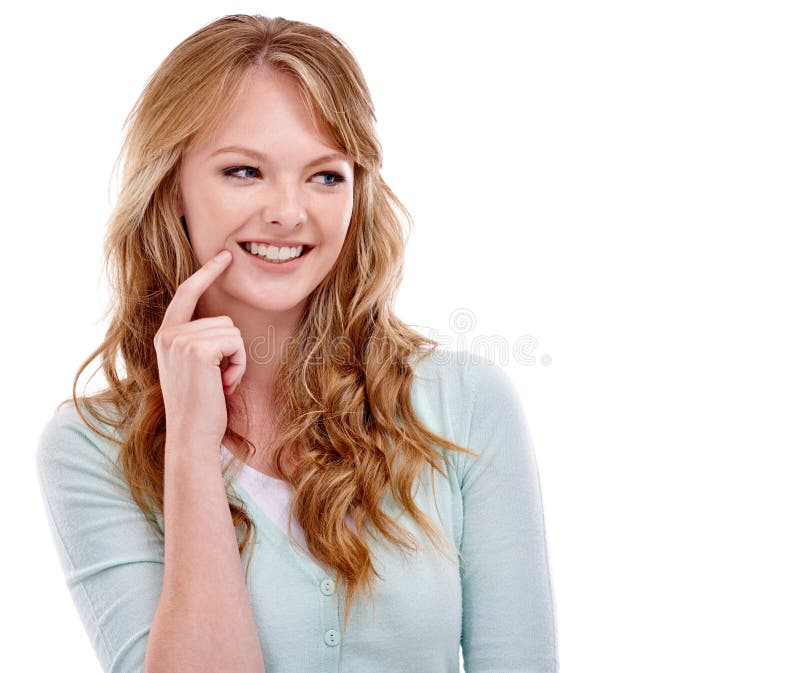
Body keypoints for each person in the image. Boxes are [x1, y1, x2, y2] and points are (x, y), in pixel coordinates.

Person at [35, 13, 558, 673]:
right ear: (174, 190)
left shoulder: (466, 401)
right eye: (245, 171)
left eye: (325, 175)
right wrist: (192, 453)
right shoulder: (90, 447)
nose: (288, 210)